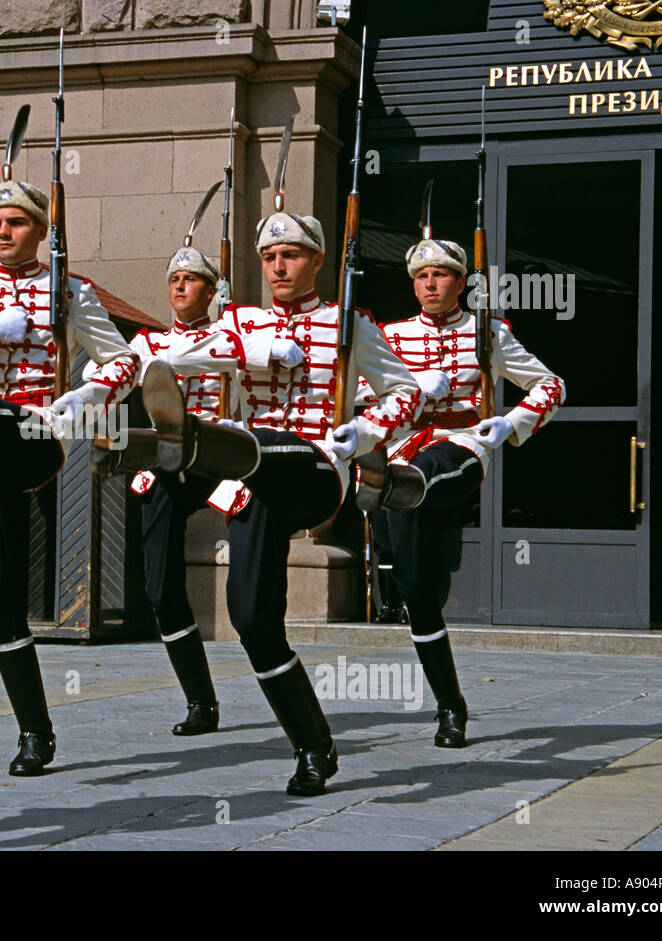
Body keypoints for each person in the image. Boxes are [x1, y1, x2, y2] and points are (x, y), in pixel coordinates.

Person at [97, 209, 422, 795]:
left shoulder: (348, 322)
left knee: (258, 445)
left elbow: (407, 392)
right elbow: (170, 356)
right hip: (255, 474)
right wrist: (88, 394)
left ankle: (180, 443)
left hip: (318, 467)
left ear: (318, 262)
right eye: (269, 258)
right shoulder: (243, 322)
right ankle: (314, 746)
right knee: (251, 619)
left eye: (291, 255)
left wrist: (364, 432)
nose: (278, 266)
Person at [0, 171, 137, 774]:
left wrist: (81, 400)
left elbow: (125, 361)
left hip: (36, 433)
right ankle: (35, 730)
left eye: (18, 223)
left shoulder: (71, 292)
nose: (4, 232)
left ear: (40, 230)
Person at [355, 237, 565, 747]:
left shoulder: (484, 331)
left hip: (463, 446)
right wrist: (403, 396)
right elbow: (360, 392)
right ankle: (451, 707)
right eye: (421, 276)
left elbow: (550, 384)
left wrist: (511, 423)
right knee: (418, 595)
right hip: (404, 447)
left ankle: (385, 483)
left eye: (441, 275)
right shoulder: (391, 335)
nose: (430, 284)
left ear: (461, 281)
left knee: (426, 472)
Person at [98, 246, 231, 735]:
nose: (179, 286)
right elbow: (110, 374)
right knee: (159, 588)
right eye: (174, 278)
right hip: (166, 461)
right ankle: (201, 700)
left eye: (192, 279)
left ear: (212, 292)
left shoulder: (229, 337)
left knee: (251, 597)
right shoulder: (147, 343)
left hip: (220, 459)